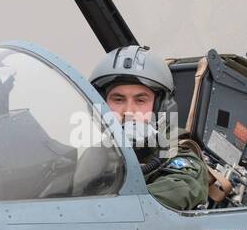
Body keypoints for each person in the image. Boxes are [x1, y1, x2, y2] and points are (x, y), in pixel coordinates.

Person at [89, 45, 209, 211]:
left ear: (161, 107)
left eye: (140, 100)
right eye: (118, 99)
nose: (129, 111)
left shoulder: (178, 159)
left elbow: (176, 192)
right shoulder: (93, 155)